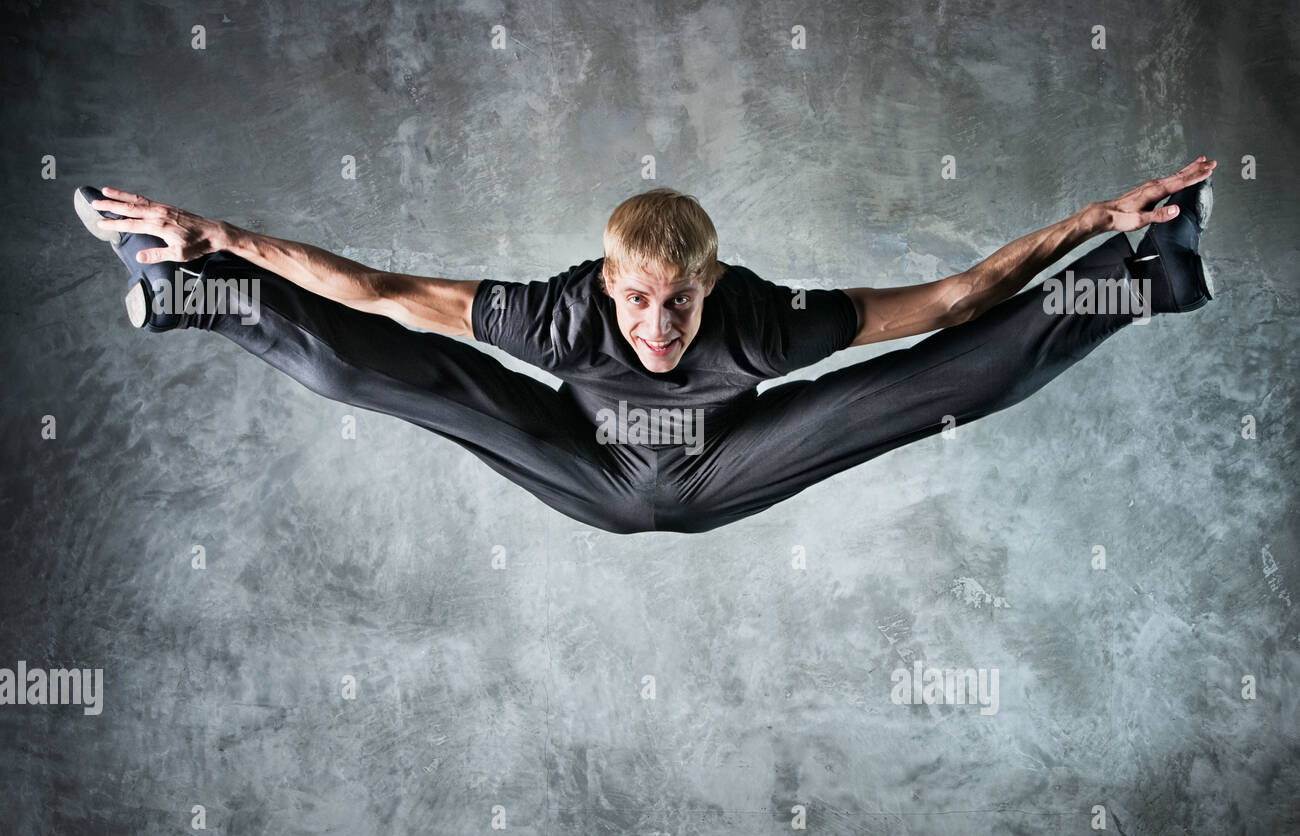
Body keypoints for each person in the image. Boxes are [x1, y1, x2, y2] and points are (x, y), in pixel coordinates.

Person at [72, 158, 1216, 534]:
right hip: (591, 463)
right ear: (606, 282)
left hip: (725, 462)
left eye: (677, 306)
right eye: (634, 304)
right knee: (366, 365)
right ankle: (192, 290)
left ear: (708, 286)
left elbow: (959, 299)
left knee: (945, 381)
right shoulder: (556, 313)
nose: (655, 329)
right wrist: (220, 237)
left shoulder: (761, 317)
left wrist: (1093, 227)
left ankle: (1146, 273)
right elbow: (373, 288)